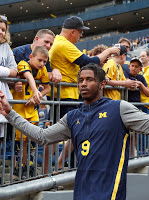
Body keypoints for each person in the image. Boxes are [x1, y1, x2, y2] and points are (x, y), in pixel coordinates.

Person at [1, 63, 149, 199]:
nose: (83, 84)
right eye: (80, 80)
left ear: (103, 83)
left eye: (89, 79)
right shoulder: (72, 117)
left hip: (109, 192)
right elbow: (42, 137)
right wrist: (10, 113)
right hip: (81, 192)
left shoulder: (119, 108)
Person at [52, 16, 120, 171]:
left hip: (67, 94)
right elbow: (90, 61)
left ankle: (64, 165)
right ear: (73, 31)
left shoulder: (61, 42)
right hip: (65, 95)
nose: (81, 35)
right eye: (80, 32)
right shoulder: (63, 44)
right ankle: (58, 166)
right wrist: (108, 51)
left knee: (74, 131)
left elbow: (85, 66)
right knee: (72, 131)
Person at [12, 46, 50, 175]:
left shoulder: (43, 69)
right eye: (39, 60)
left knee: (33, 138)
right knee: (20, 140)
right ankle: (20, 167)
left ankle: (30, 165)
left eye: (45, 62)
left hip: (32, 109)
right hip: (19, 109)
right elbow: (29, 77)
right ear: (31, 57)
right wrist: (35, 92)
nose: (42, 64)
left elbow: (47, 88)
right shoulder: (23, 64)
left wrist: (37, 96)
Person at [0, 15, 18, 161]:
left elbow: (14, 71)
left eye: (3, 30)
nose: (1, 32)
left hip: (2, 96)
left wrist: (1, 71)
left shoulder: (5, 47)